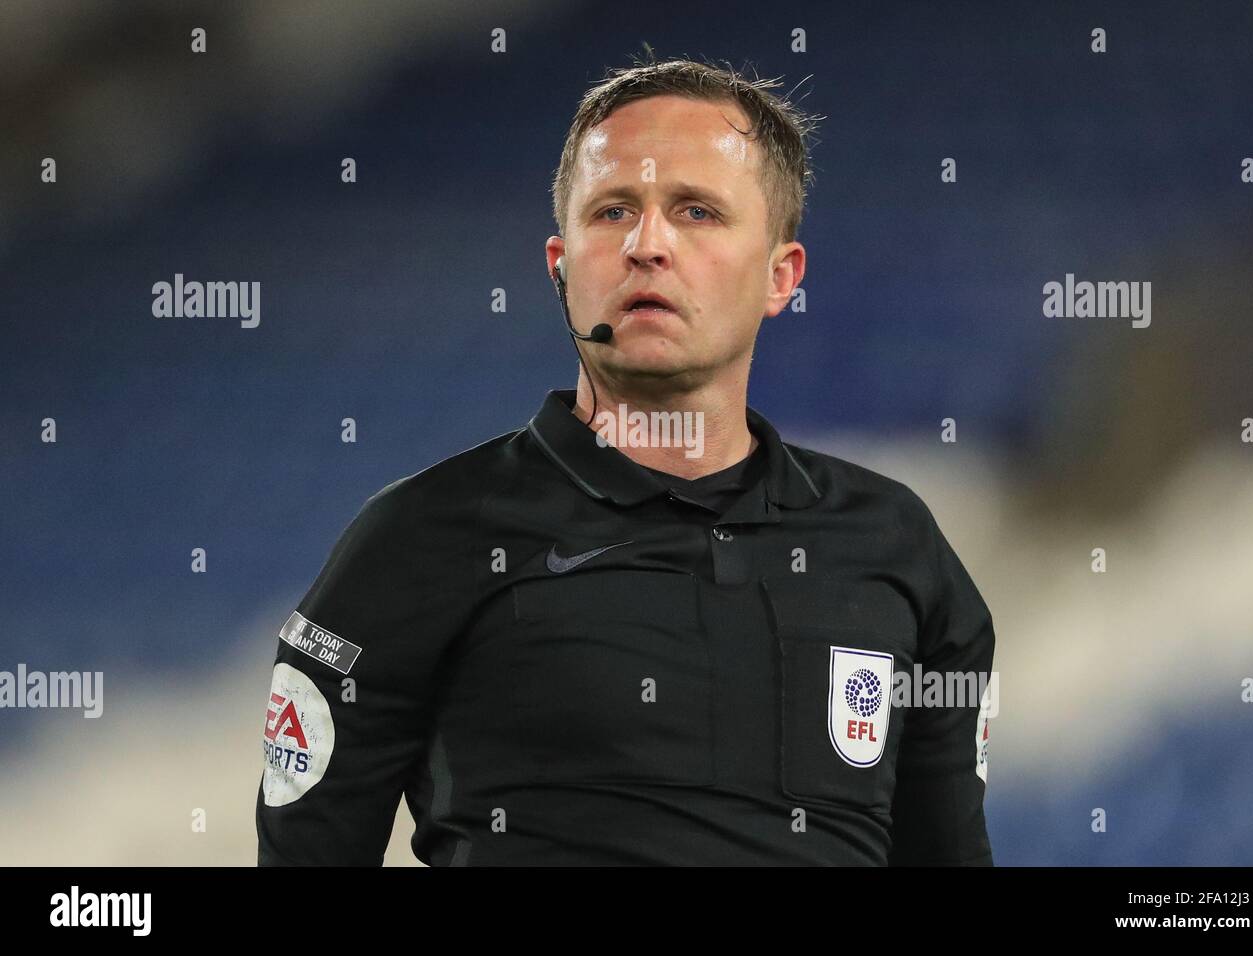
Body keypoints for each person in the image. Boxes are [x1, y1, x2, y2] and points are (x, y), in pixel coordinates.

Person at [256, 55, 996, 866]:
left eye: (697, 212)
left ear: (781, 276)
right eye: (612, 212)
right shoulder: (418, 538)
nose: (648, 245)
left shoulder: (897, 546)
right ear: (561, 265)